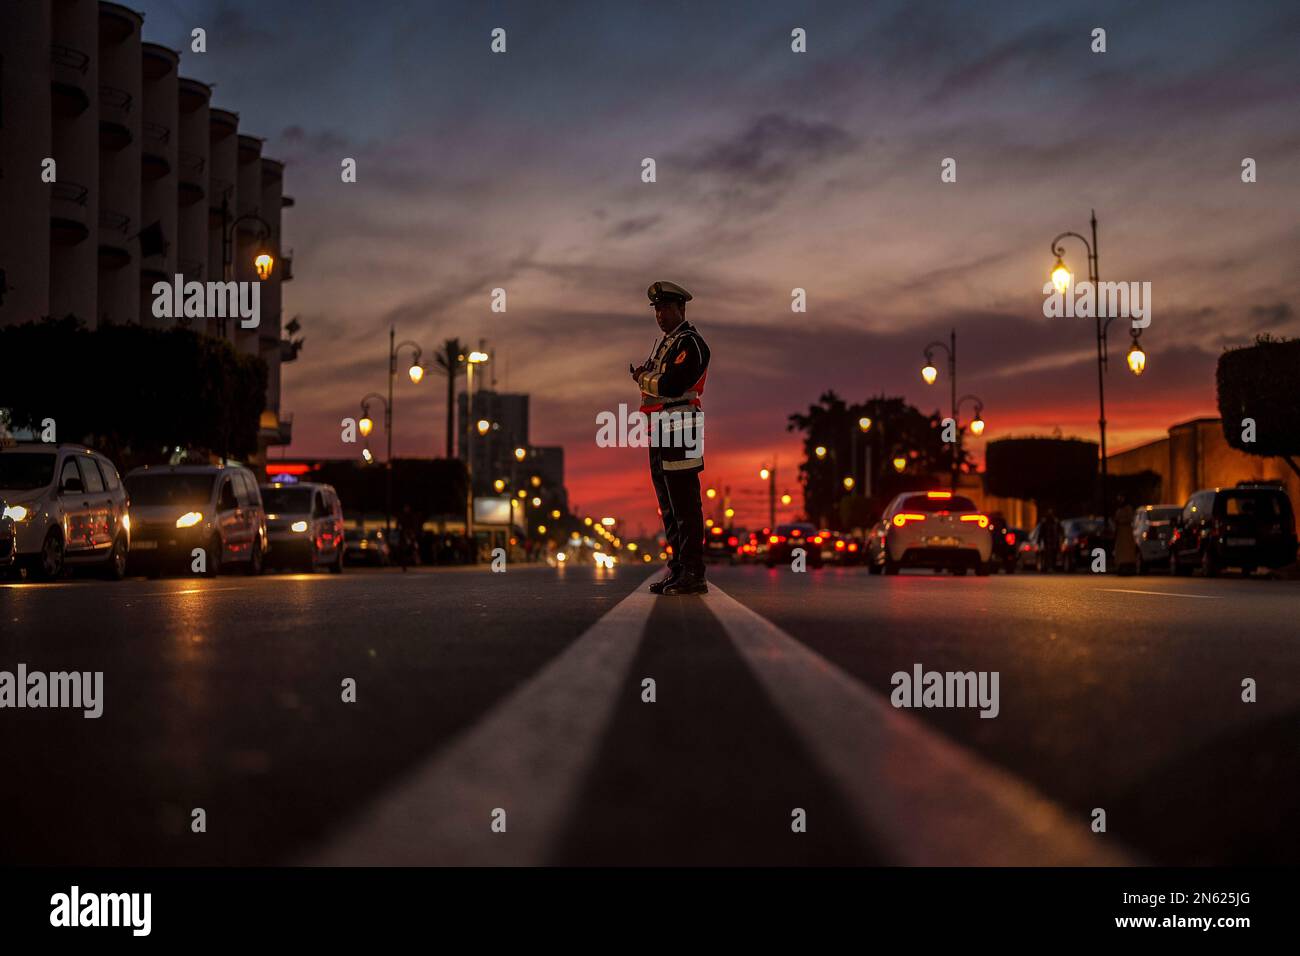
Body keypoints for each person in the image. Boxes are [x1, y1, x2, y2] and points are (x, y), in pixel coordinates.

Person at [633, 281, 711, 595]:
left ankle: (694, 572)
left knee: (685, 503)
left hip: (682, 425)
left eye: (666, 308)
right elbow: (662, 383)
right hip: (661, 427)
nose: (660, 315)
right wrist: (652, 379)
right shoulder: (668, 343)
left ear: (681, 309)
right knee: (668, 505)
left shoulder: (690, 343)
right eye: (657, 309)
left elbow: (671, 384)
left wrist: (642, 377)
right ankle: (678, 569)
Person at [1112, 495, 1136, 575]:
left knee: (1127, 551)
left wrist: (1121, 521)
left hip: (1126, 533)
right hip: (1120, 533)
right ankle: (1121, 567)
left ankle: (1128, 568)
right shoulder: (1119, 509)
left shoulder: (1128, 508)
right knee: (1120, 551)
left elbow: (1130, 518)